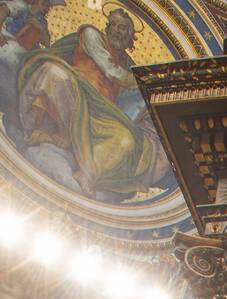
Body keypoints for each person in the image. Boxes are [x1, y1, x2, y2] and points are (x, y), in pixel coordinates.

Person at [17, 7, 170, 200]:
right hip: (76, 90)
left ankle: (88, 174)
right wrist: (147, 80)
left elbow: (131, 101)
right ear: (107, 27)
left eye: (123, 28)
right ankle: (51, 133)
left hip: (101, 111)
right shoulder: (92, 35)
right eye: (113, 25)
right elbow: (112, 71)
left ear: (130, 36)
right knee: (54, 74)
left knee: (126, 139)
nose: (117, 30)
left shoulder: (127, 63)